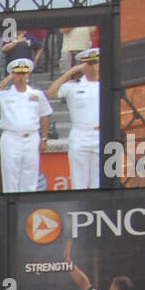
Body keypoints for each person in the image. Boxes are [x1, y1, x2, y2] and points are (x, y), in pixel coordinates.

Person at [0, 58, 51, 193]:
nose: (21, 77)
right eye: (18, 74)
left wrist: (44, 138)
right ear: (12, 75)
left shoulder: (37, 95)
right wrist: (2, 84)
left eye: (24, 73)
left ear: (28, 74)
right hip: (11, 138)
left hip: (31, 138)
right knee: (10, 178)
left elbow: (44, 115)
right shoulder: (4, 95)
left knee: (30, 177)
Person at [47, 48, 101, 189]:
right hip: (80, 134)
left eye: (96, 63)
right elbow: (51, 93)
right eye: (89, 64)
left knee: (100, 182)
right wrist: (70, 72)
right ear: (83, 66)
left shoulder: (106, 85)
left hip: (102, 134)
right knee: (79, 181)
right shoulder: (73, 86)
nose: (94, 67)